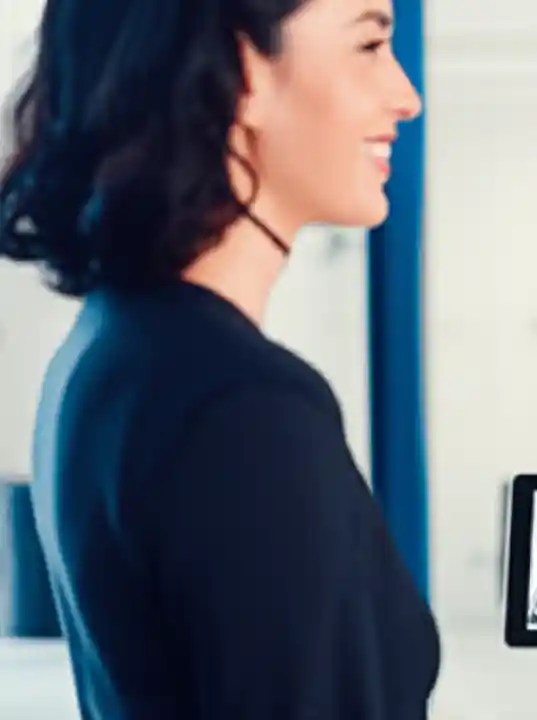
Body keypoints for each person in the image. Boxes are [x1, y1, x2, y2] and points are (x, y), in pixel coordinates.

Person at [0, 1, 438, 718]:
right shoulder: (244, 407)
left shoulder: (110, 353)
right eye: (368, 44)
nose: (406, 96)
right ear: (242, 70)